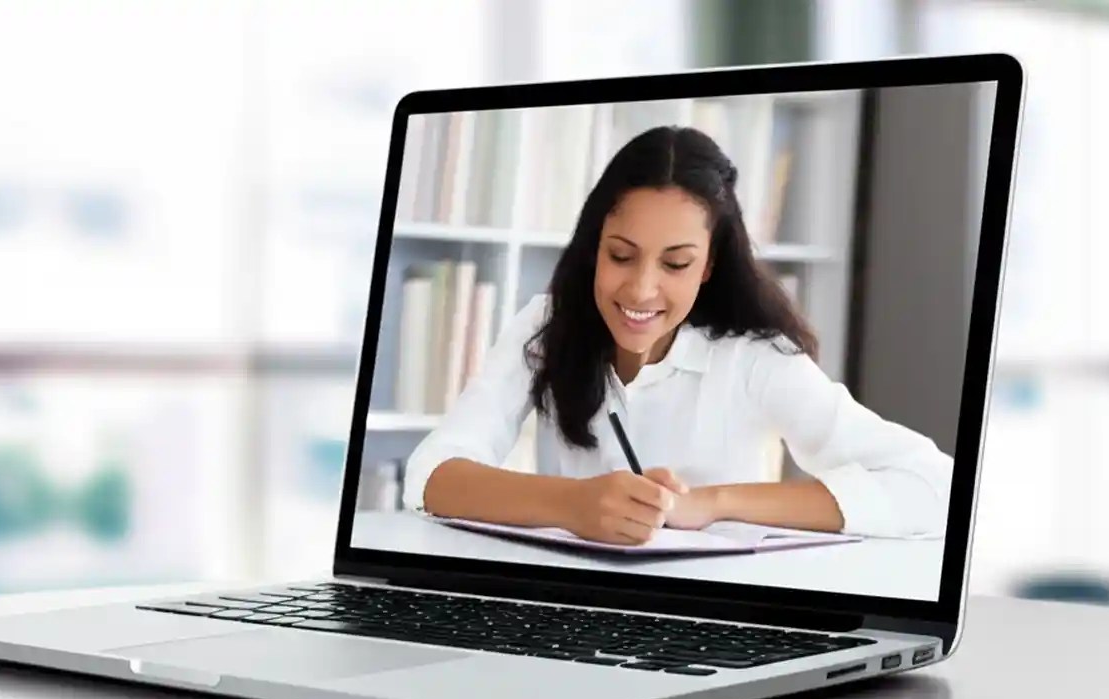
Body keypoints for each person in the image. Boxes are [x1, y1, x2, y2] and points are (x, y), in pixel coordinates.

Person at [402, 125, 952, 546]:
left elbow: (936, 488)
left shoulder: (753, 357)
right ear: (595, 246)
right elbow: (430, 477)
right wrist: (574, 505)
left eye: (676, 264)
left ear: (708, 266)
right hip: (570, 609)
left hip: (711, 620)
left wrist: (713, 503)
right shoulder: (546, 325)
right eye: (621, 255)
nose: (641, 290)